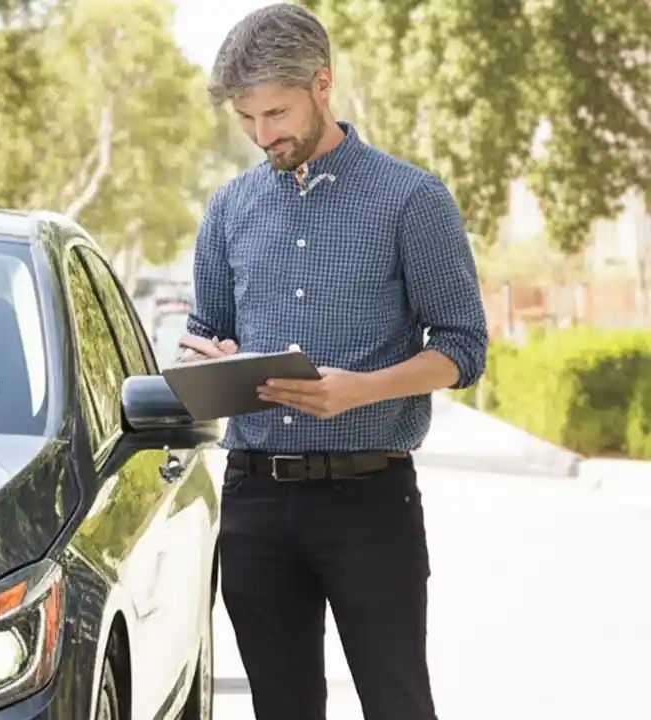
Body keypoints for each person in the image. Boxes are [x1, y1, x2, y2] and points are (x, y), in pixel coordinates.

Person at [180, 3, 488, 720]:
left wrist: (364, 391)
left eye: (277, 114)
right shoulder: (228, 209)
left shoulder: (412, 200)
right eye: (247, 119)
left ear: (323, 84)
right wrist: (211, 359)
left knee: (396, 704)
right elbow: (204, 332)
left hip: (368, 504)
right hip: (255, 500)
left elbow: (463, 347)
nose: (263, 136)